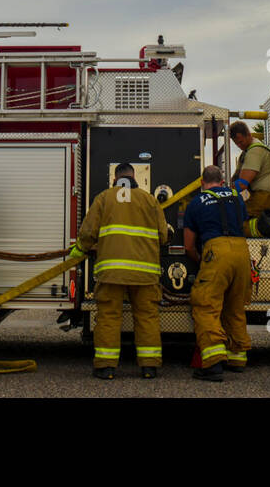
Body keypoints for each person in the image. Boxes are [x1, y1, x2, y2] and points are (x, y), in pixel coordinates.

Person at [71, 162, 168, 380]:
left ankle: (106, 368)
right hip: (145, 273)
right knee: (147, 317)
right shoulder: (150, 200)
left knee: (108, 317)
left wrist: (80, 249)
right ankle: (149, 367)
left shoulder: (104, 198)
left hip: (111, 271)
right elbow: (163, 235)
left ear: (115, 179)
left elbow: (88, 231)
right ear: (135, 177)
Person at [183, 164, 251, 382]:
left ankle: (212, 364)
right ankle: (238, 358)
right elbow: (245, 226)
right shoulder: (236, 197)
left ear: (202, 183)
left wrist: (203, 261)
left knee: (206, 305)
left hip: (216, 251)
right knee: (235, 306)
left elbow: (188, 246)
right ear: (222, 182)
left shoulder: (196, 202)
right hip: (241, 251)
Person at [229, 121, 270, 235]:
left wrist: (225, 194)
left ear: (249, 134)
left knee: (233, 218)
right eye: (237, 144)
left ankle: (266, 227)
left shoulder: (254, 151)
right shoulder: (249, 151)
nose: (240, 146)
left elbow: (241, 184)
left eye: (241, 142)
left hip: (266, 198)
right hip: (268, 198)